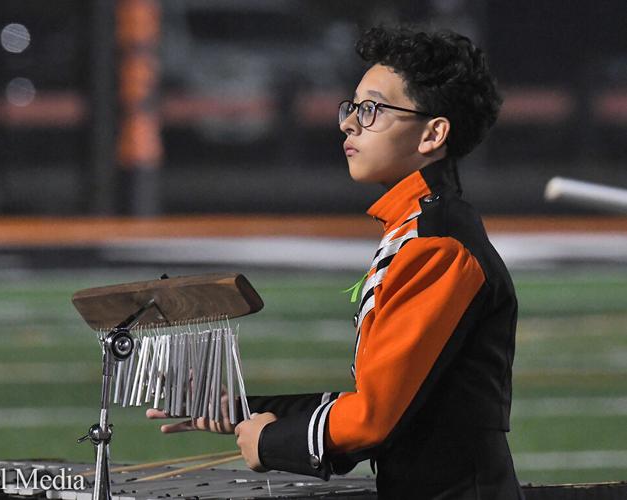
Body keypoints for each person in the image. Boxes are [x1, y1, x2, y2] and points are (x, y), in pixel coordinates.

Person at [147, 25, 524, 498]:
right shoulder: (415, 230)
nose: (348, 123)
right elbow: (384, 403)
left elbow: (375, 418)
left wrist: (271, 442)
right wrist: (243, 409)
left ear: (433, 133)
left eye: (371, 109)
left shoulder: (438, 248)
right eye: (352, 108)